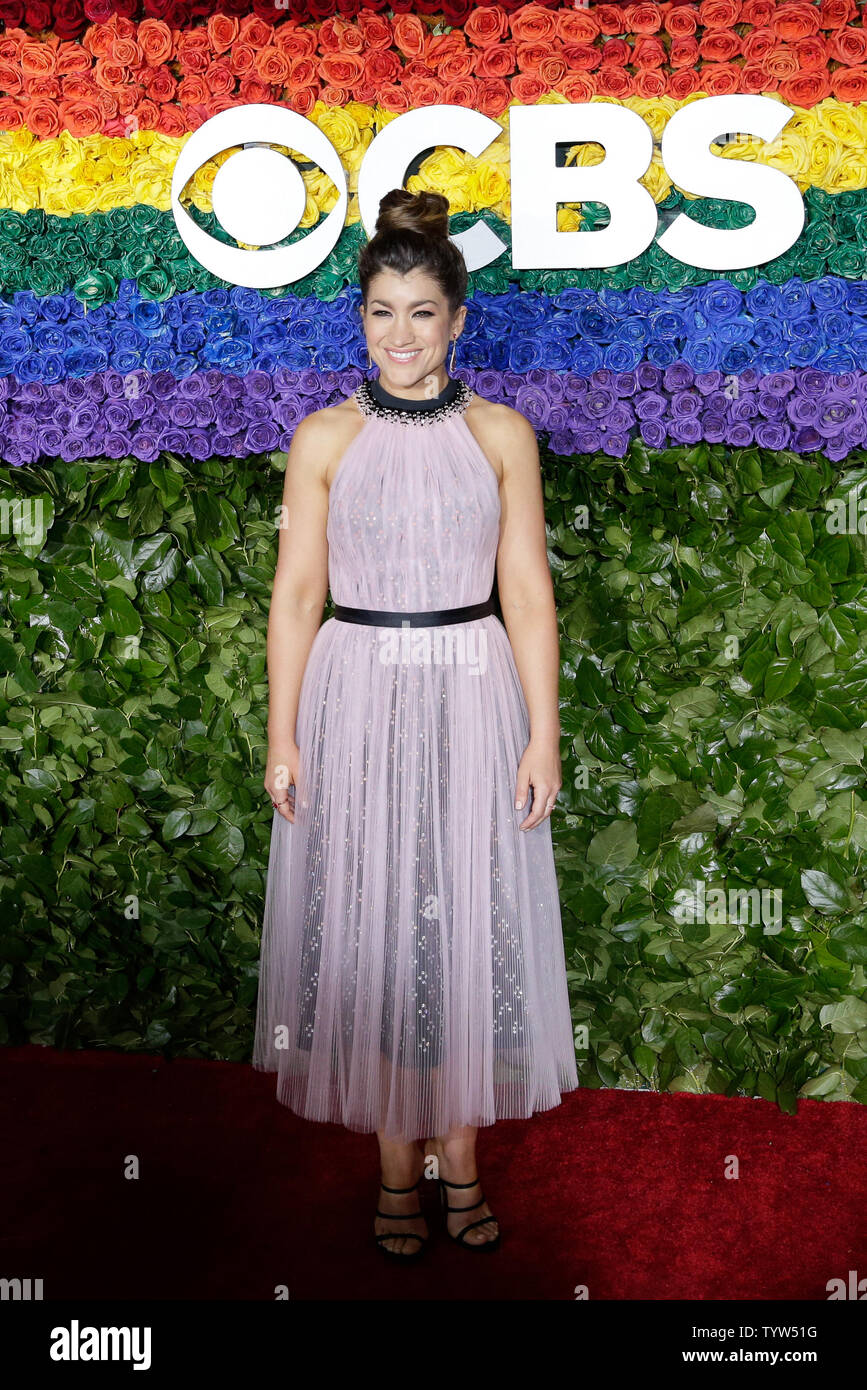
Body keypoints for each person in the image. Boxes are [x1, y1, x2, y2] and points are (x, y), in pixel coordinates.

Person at [254, 188, 579, 1261]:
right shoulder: (321, 438)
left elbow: (528, 593)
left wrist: (544, 734)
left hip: (471, 684)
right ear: (360, 320)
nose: (400, 334)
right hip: (355, 692)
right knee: (377, 922)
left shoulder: (502, 435)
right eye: (381, 312)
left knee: (464, 924)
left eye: (422, 313)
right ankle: (398, 1172)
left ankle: (463, 1164)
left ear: (458, 320)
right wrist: (283, 734)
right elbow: (297, 595)